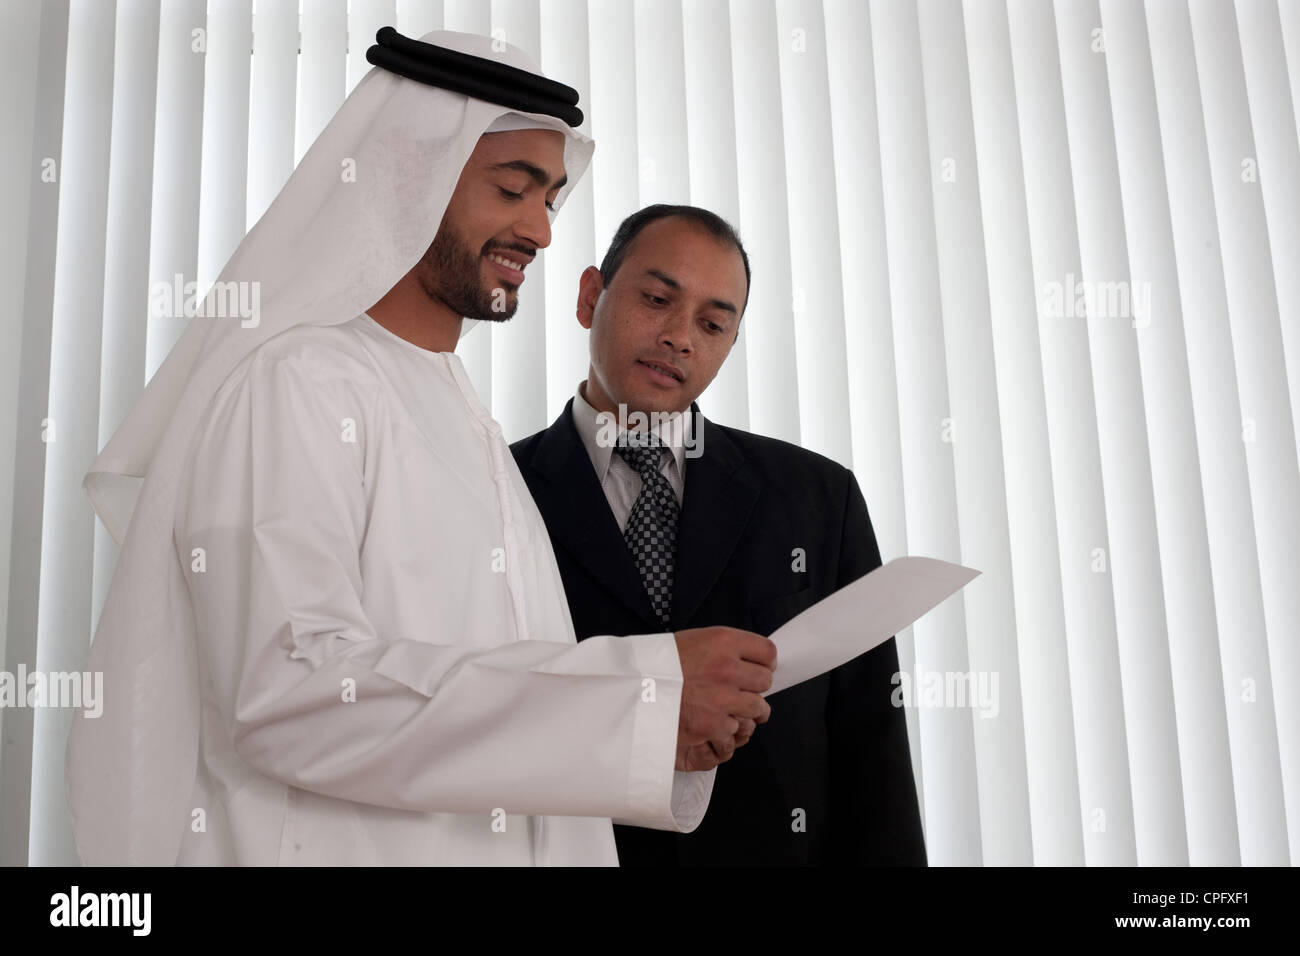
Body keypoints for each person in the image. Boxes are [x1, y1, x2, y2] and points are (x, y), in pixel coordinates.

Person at [65, 31, 774, 867]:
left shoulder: (453, 405)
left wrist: (669, 730)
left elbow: (487, 695)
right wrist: (642, 701)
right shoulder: (299, 381)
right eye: (513, 189)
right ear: (409, 174)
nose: (540, 232)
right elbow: (295, 697)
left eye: (549, 199)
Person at [511, 205, 927, 865]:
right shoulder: (495, 489)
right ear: (591, 295)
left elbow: (872, 744)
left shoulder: (821, 497)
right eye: (656, 300)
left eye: (712, 323)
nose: (680, 337)